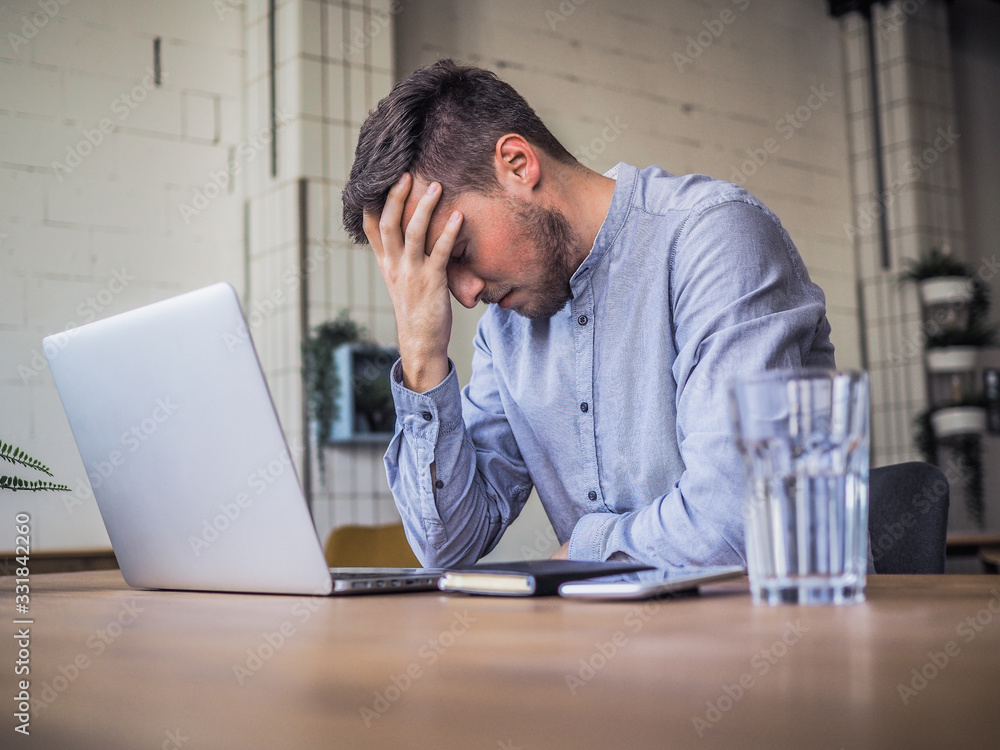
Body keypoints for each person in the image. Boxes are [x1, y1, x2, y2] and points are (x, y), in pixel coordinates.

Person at [341, 59, 835, 568]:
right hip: (606, 645)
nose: (465, 297)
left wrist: (583, 551)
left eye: (459, 253)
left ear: (517, 164)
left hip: (774, 639)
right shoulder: (504, 332)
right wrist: (422, 356)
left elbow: (739, 520)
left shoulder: (713, 238)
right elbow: (448, 547)